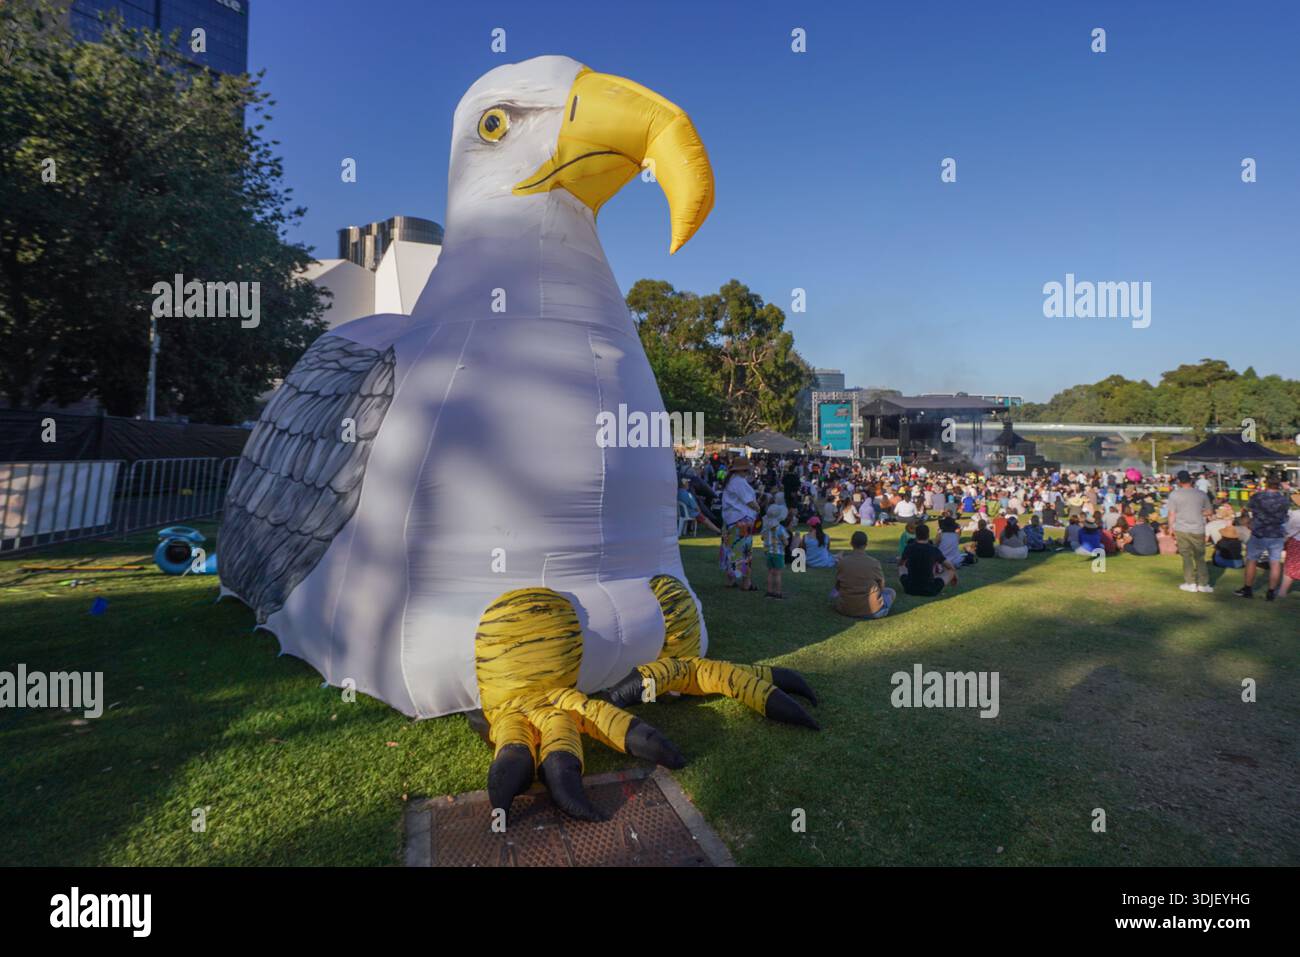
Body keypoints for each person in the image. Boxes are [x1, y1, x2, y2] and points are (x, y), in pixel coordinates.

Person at [1236, 476, 1290, 600]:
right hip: (1276, 534)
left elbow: (1246, 511)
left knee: (1252, 560)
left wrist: (1248, 523)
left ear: (1266, 484)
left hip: (1259, 533)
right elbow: (1285, 517)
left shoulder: (1257, 497)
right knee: (1275, 562)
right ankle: (1271, 592)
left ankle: (1248, 589)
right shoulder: (1284, 500)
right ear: (1279, 486)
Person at [1166, 469, 1213, 593]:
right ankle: (1203, 584)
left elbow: (1171, 513)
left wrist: (1170, 527)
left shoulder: (1174, 495)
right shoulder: (1201, 494)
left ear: (1179, 481)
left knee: (1186, 556)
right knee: (1200, 557)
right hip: (1198, 528)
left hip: (1182, 528)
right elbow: (1209, 512)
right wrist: (1199, 512)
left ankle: (1190, 582)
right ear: (1191, 480)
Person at [719, 456, 760, 591]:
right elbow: (749, 501)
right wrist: (759, 508)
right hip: (741, 521)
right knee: (744, 553)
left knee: (730, 550)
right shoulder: (739, 482)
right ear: (744, 469)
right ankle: (746, 582)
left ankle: (730, 579)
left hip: (730, 521)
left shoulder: (731, 480)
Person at [833, 530, 895, 619]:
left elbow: (837, 585)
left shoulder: (843, 562)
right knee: (891, 592)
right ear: (866, 545)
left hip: (845, 609)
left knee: (836, 594)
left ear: (851, 543)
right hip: (873, 611)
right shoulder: (874, 563)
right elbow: (882, 585)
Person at [899, 523, 957, 597]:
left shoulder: (909, 548)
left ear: (916, 535)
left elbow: (901, 563)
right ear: (928, 535)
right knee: (951, 571)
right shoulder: (933, 549)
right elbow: (949, 566)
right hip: (930, 590)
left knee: (901, 567)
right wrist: (954, 575)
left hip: (910, 589)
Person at [761, 503, 790, 599]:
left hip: (769, 553)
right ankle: (777, 592)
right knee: (777, 573)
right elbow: (785, 543)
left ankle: (769, 592)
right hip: (778, 553)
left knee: (770, 572)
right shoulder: (780, 529)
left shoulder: (766, 528)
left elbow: (762, 538)